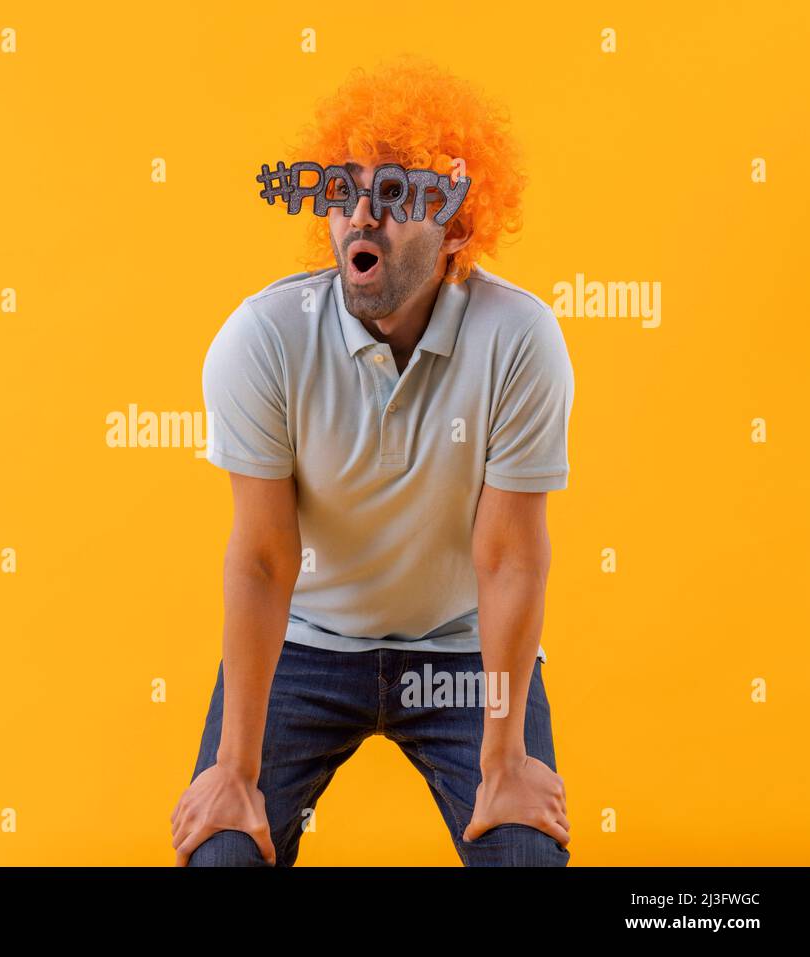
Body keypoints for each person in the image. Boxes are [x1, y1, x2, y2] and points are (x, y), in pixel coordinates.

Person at [170, 57, 575, 867]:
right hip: (306, 645)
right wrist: (234, 770)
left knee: (526, 853)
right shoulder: (264, 339)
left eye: (394, 194)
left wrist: (503, 763)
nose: (360, 215)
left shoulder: (519, 340)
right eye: (342, 189)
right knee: (221, 854)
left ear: (457, 225)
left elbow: (506, 556)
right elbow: (261, 556)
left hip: (462, 651)